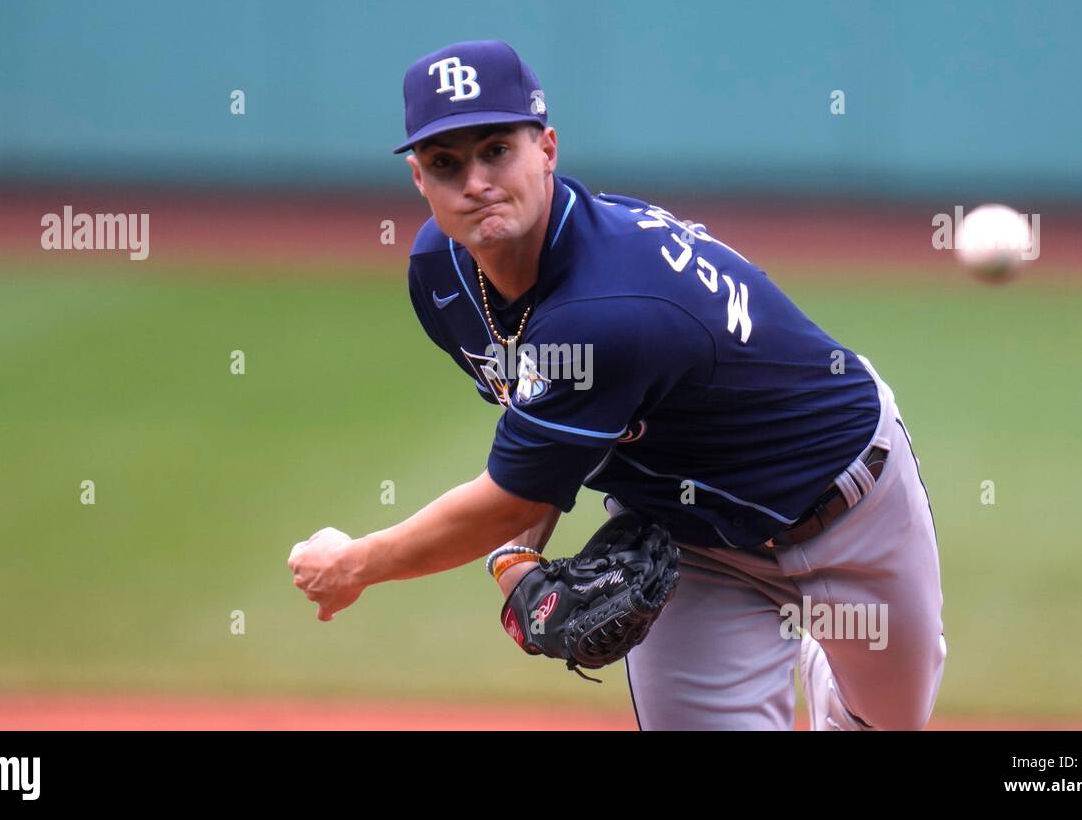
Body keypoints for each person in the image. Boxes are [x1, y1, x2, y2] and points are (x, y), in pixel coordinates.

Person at [288, 39, 947, 730]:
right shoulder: (443, 278)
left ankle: (816, 649)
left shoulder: (606, 308)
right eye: (446, 163)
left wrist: (357, 563)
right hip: (692, 543)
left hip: (848, 506)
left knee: (880, 723)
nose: (475, 181)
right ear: (419, 183)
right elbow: (540, 446)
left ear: (546, 149)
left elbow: (512, 498)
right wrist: (515, 558)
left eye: (495, 150)